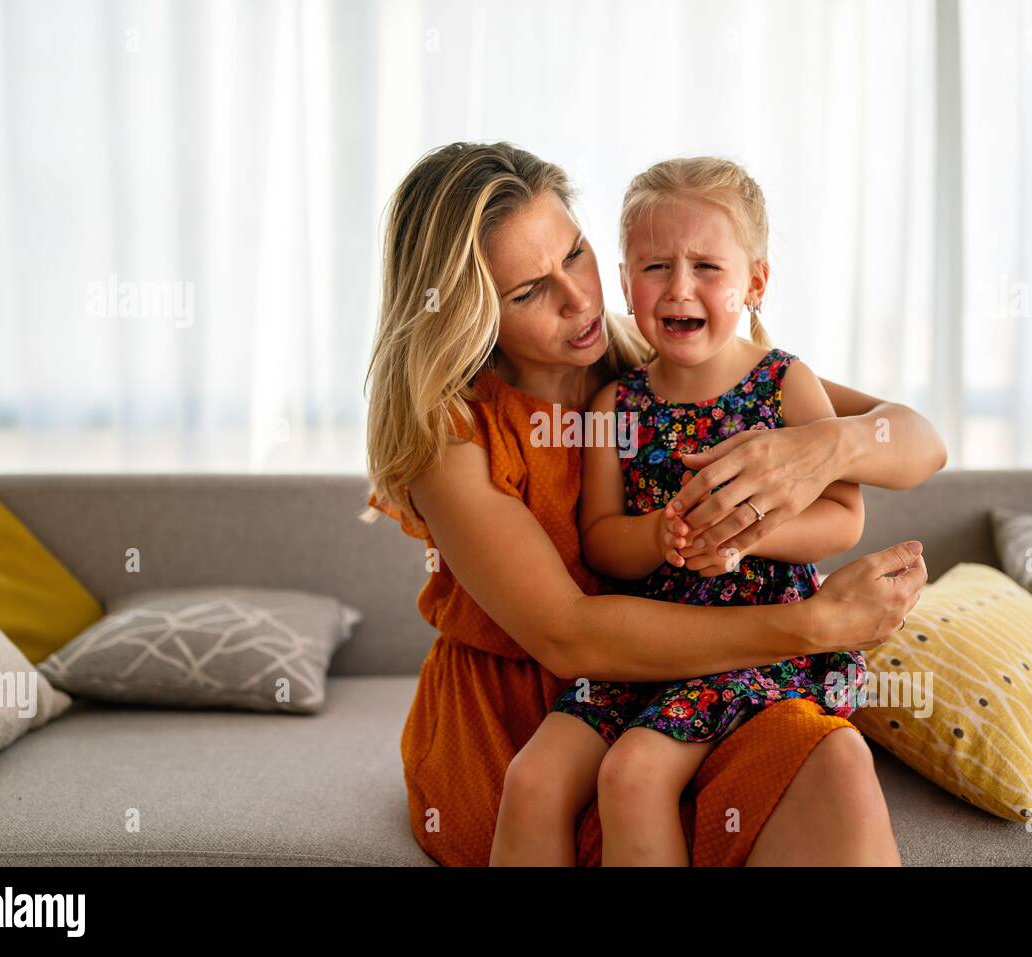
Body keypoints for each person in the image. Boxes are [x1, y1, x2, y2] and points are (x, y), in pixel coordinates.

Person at [364, 141, 945, 867]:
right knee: (576, 782)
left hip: (705, 673)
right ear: (467, 313)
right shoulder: (453, 433)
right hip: (530, 717)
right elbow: (572, 635)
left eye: (573, 255)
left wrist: (825, 450)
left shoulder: (661, 357)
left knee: (831, 762)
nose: (579, 300)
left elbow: (918, 439)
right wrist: (812, 623)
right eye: (528, 292)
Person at [498, 156, 874, 865]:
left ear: (754, 283)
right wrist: (657, 536)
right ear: (622, 280)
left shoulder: (784, 383)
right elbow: (601, 541)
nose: (679, 288)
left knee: (634, 772)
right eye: (655, 267)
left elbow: (845, 516)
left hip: (752, 640)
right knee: (534, 773)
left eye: (707, 266)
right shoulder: (618, 405)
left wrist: (749, 535)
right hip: (641, 648)